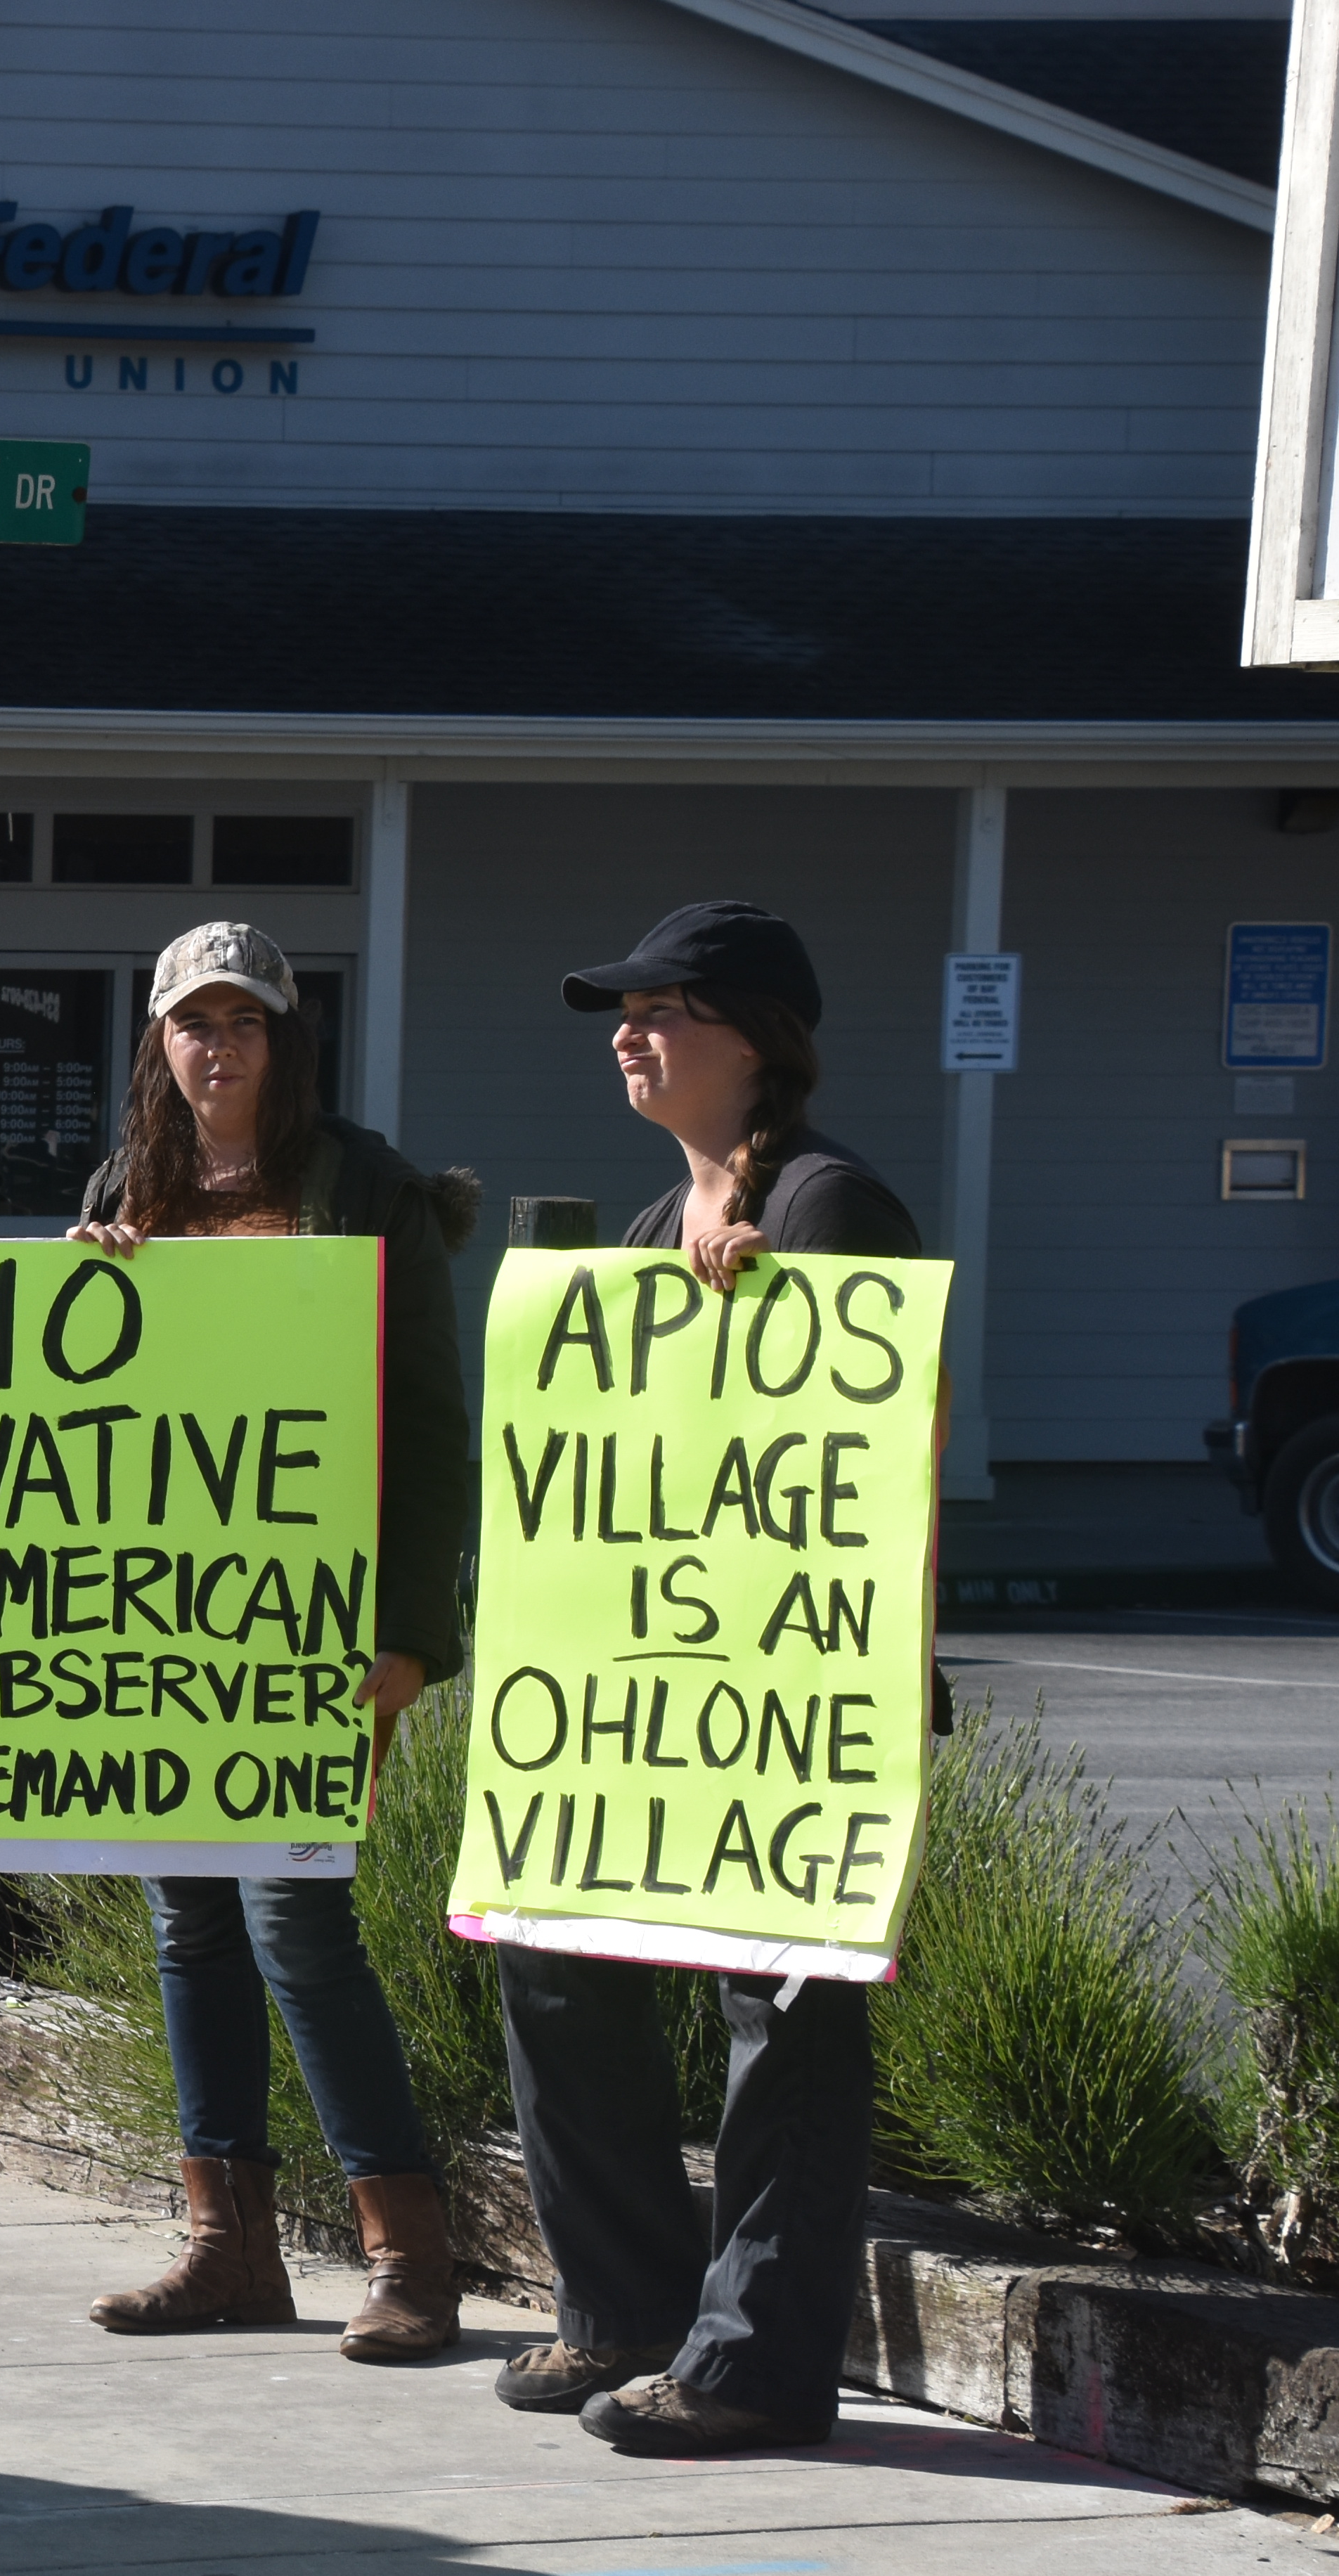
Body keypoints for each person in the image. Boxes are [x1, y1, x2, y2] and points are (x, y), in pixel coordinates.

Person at [498, 899, 921, 2458]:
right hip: (648, 1692)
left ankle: (753, 2359)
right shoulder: (632, 1234)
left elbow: (866, 1458)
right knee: (552, 1955)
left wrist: (765, 1317)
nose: (629, 1030)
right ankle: (623, 2304)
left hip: (795, 1695)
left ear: (754, 1039)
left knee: (784, 2009)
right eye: (622, 1007)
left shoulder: (830, 1206)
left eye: (665, 1007)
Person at [56, 922, 480, 2362]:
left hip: (320, 1622)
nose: (217, 1046)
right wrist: (83, 1287)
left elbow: (430, 1431)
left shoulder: (364, 1189)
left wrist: (410, 1639)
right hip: (178, 1626)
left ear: (286, 1040)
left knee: (297, 1917)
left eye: (243, 1021)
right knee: (188, 1916)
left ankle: (409, 2254)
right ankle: (226, 2245)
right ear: (160, 1044)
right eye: (192, 1022)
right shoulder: (134, 1186)